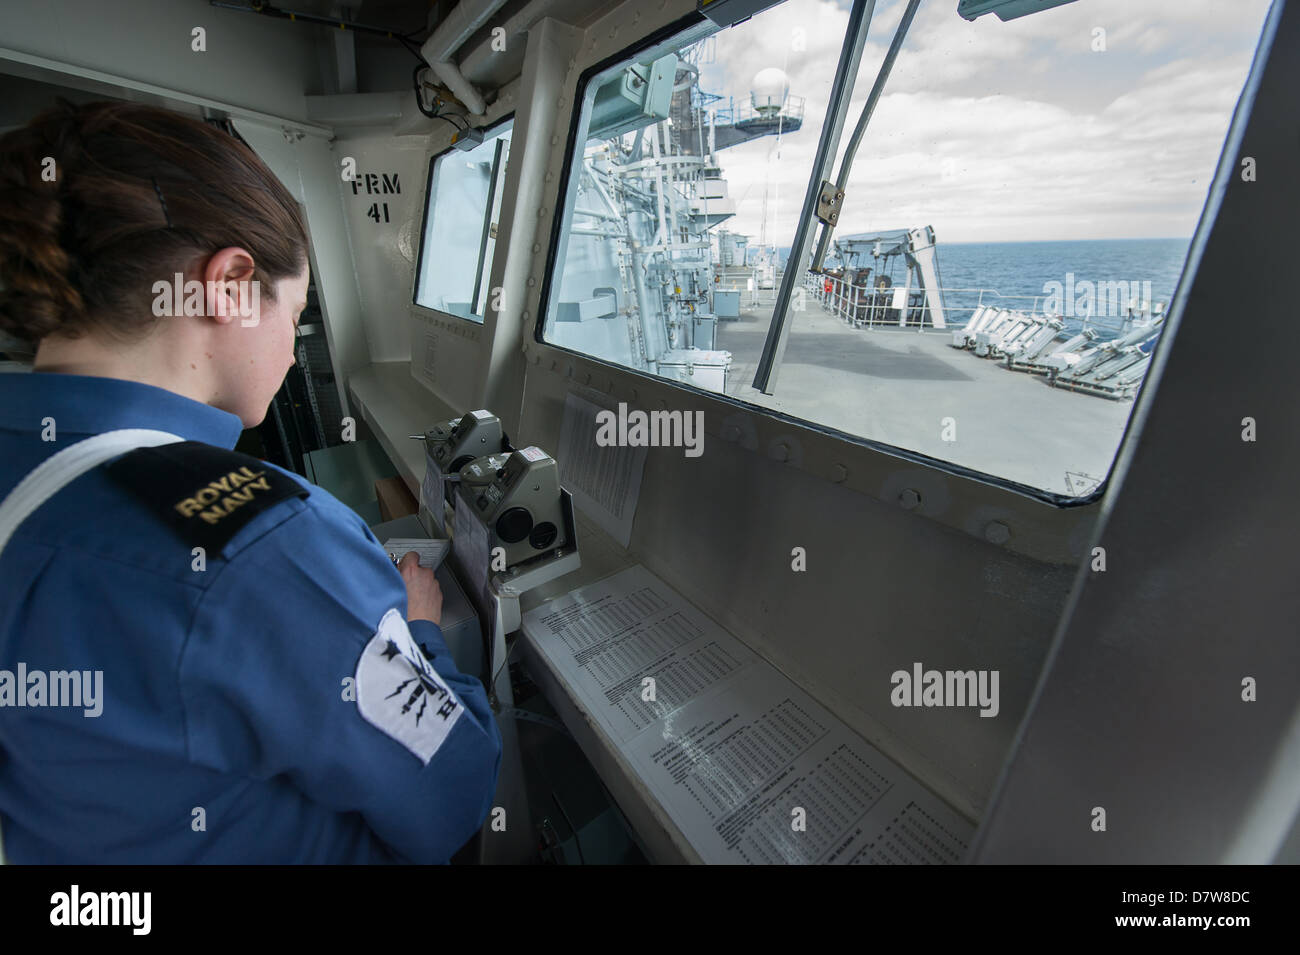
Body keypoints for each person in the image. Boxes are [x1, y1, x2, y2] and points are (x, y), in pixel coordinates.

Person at [0, 100, 502, 863]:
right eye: (296, 316)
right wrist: (423, 635)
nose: (298, 355)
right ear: (231, 284)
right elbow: (454, 792)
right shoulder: (264, 546)